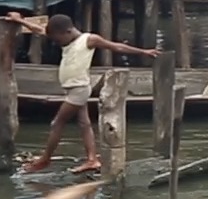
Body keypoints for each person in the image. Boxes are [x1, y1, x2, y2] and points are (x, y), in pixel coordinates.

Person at [10, 13, 157, 174]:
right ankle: (92, 159)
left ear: (67, 31)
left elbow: (116, 47)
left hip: (79, 90)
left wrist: (143, 52)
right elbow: (38, 30)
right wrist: (19, 20)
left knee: (57, 123)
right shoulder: (66, 38)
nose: (57, 42)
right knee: (84, 124)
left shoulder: (89, 39)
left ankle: (45, 160)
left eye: (58, 39)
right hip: (73, 89)